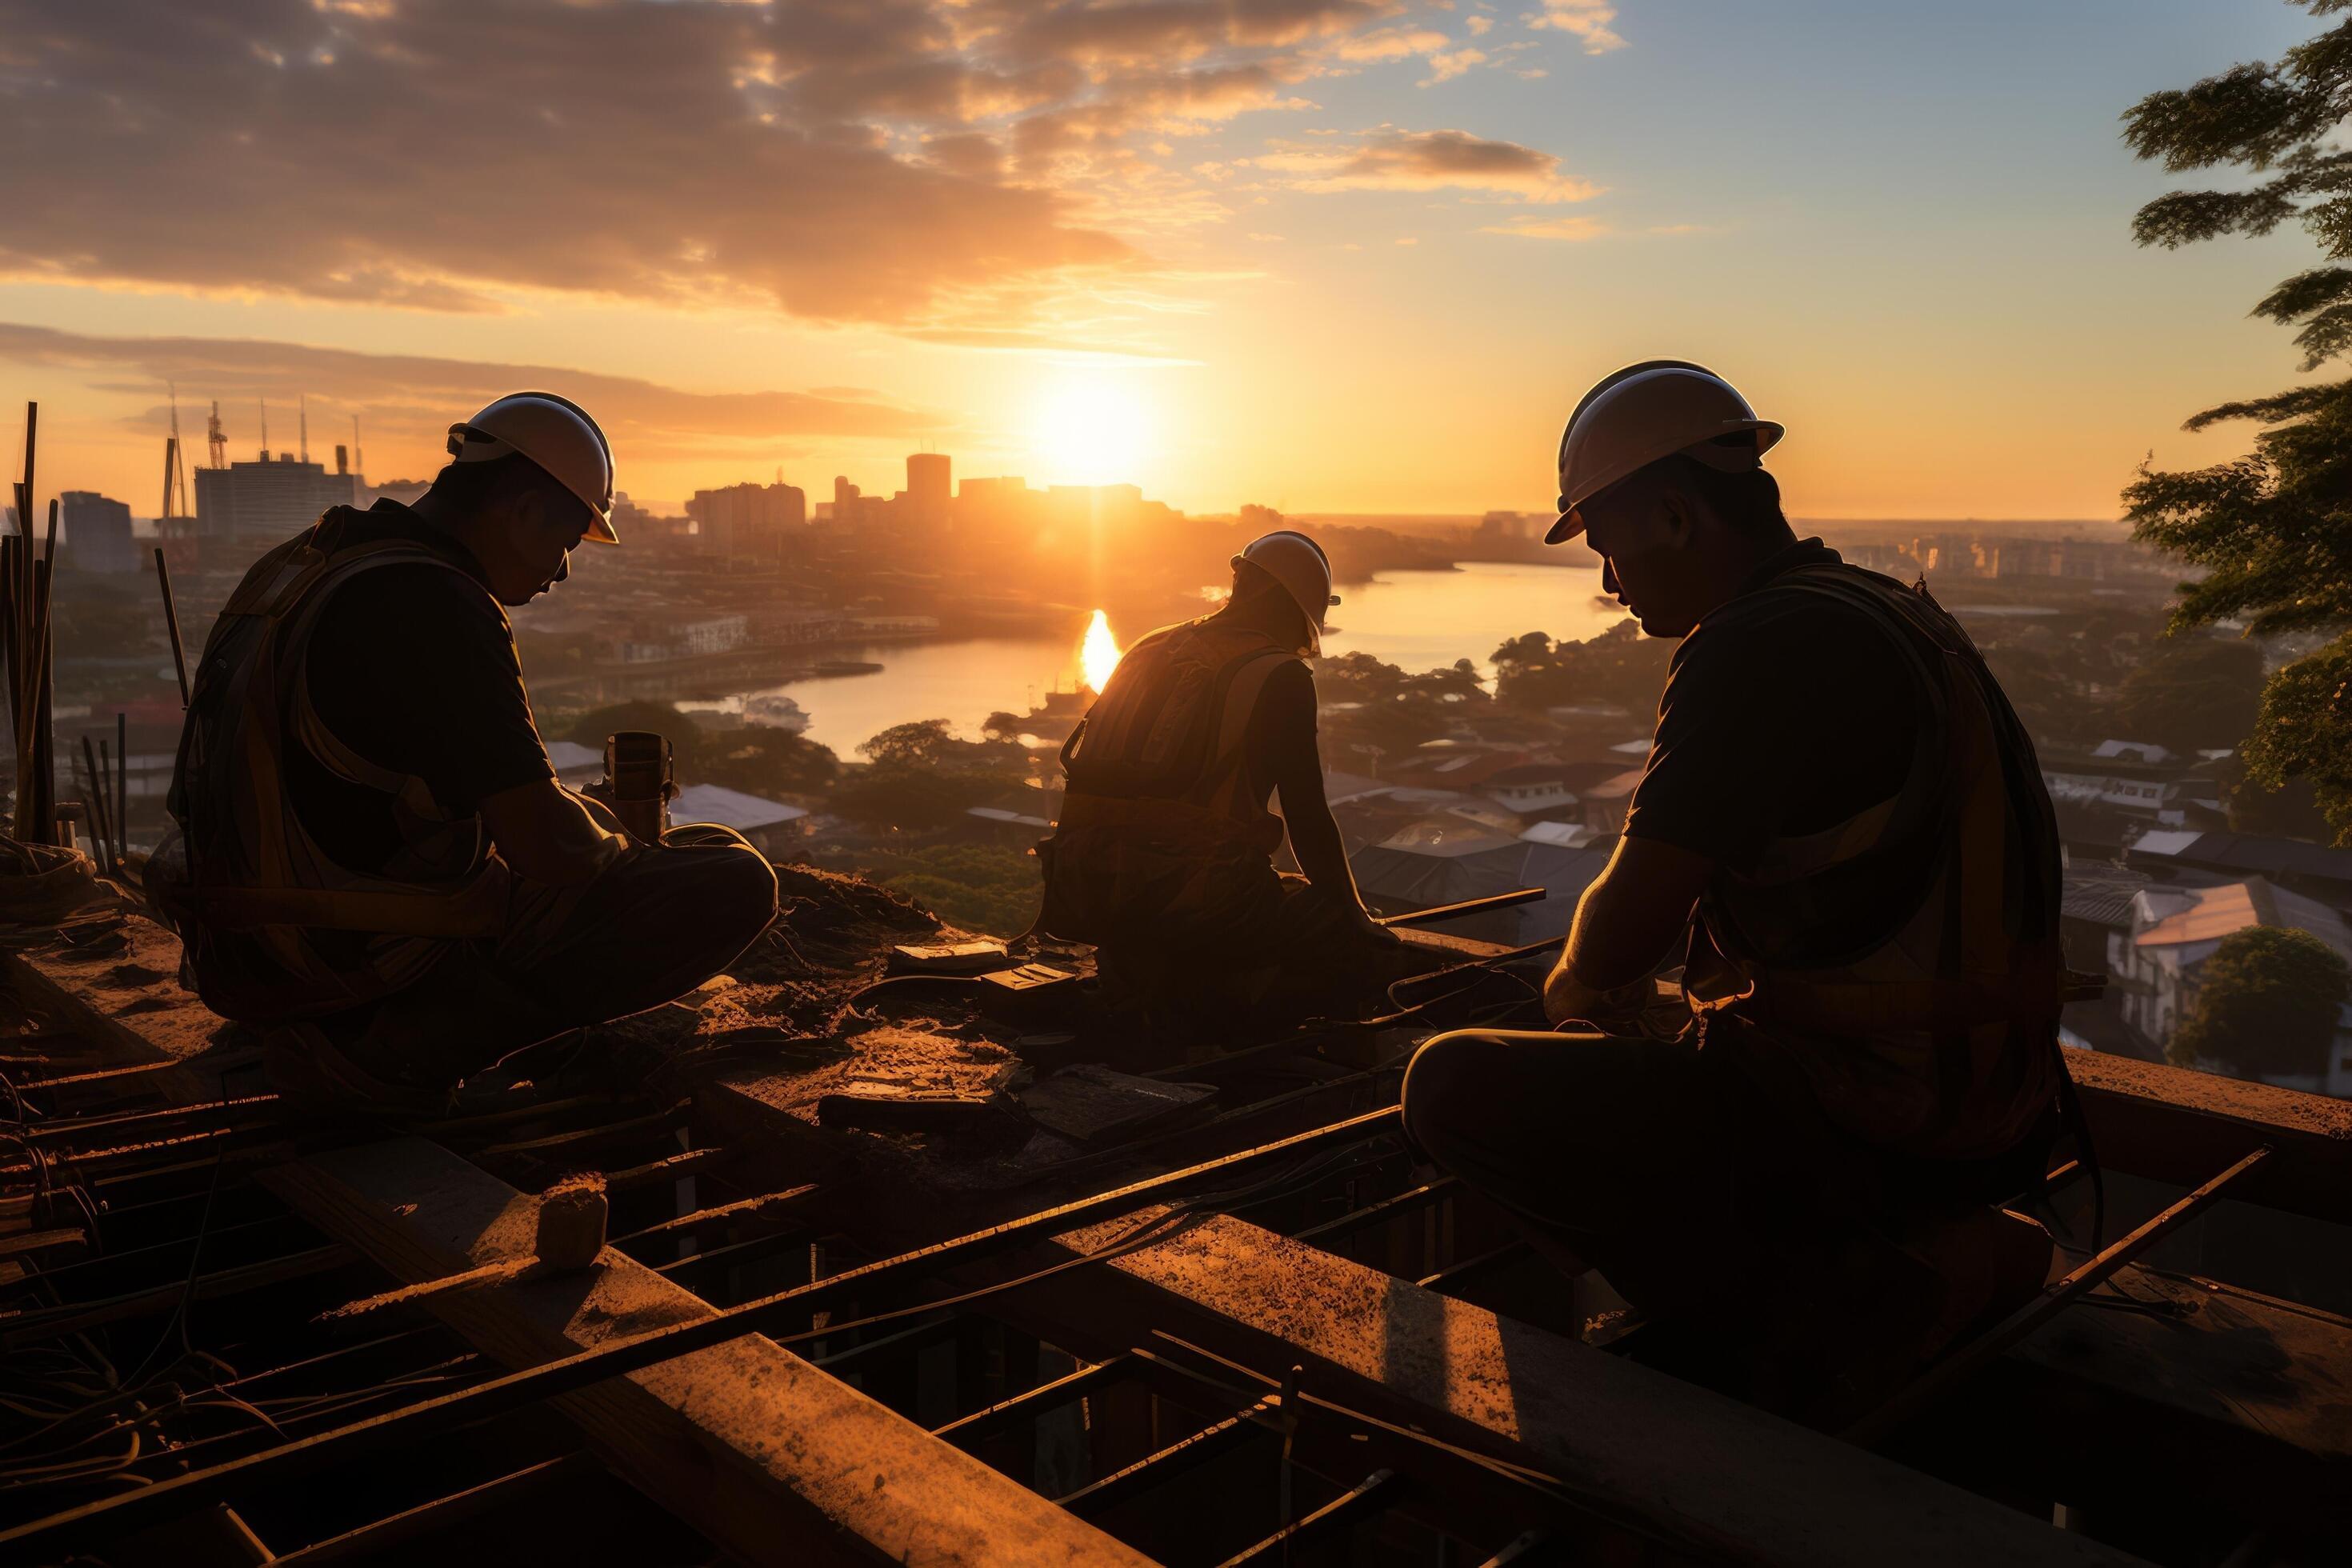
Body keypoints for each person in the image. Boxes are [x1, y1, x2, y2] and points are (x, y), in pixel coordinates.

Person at [1401, 362, 2077, 1425]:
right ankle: (1936, 1249)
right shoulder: (1883, 613)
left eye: (1609, 547)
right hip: (1992, 1107)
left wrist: (1574, 991)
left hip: (1874, 1123)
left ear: (1675, 514)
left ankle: (1889, 1292)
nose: (1611, 586)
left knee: (1451, 1086)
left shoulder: (1762, 645)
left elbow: (1625, 932)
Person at [156, 393, 778, 1116]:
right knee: (729, 878)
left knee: (674, 852)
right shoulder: (434, 601)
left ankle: (362, 1034)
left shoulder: (307, 563)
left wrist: (596, 831)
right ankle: (398, 1050)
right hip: (346, 962)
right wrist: (625, 854)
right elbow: (548, 849)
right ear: (520, 511)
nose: (562, 572)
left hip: (244, 950)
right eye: (567, 544)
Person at [1037, 530, 1413, 1029]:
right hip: (1197, 899)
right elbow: (1307, 817)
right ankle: (1243, 1026)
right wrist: (1355, 916)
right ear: (1295, 606)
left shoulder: (1148, 646)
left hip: (1085, 885)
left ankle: (1164, 986)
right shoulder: (1279, 675)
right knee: (1355, 946)